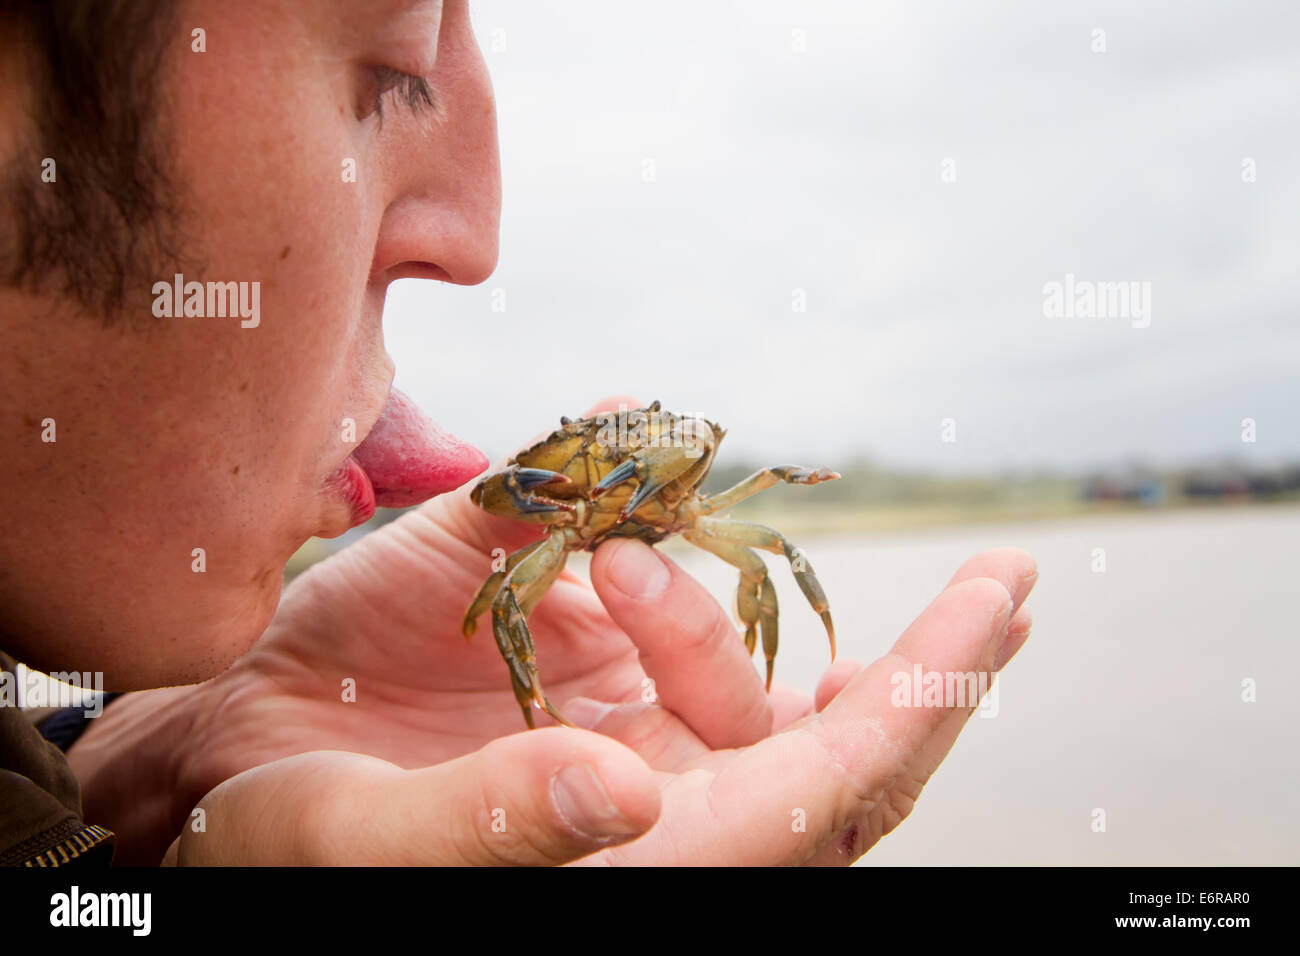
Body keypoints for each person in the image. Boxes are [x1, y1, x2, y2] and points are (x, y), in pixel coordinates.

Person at [0, 0, 1036, 866]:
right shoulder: (532, 525)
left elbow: (773, 533)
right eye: (396, 62)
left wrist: (147, 761)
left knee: (772, 558)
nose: (478, 239)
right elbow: (507, 590)